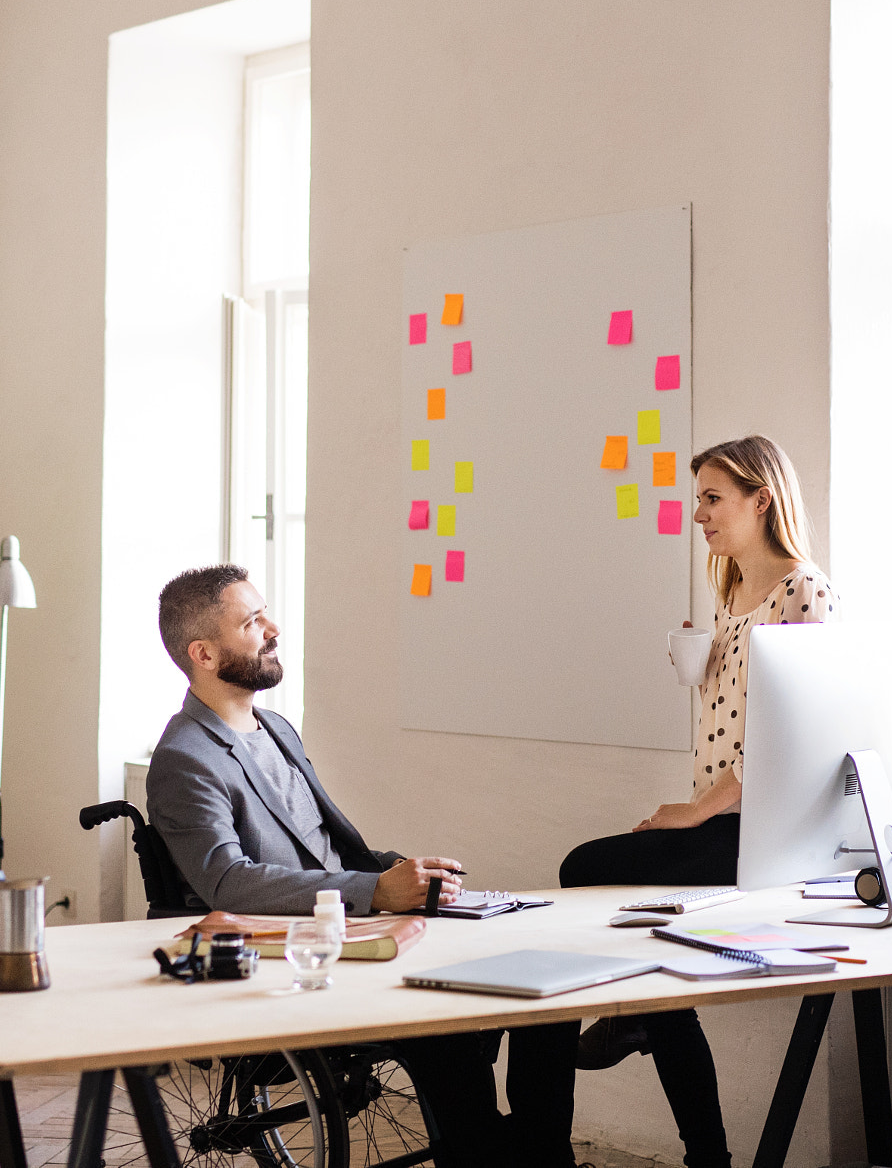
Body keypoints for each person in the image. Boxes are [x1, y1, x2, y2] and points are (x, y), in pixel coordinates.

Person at [524, 435, 835, 1168]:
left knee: (582, 869)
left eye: (712, 497)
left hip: (764, 831)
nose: (697, 513)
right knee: (658, 985)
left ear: (763, 500)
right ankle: (704, 1151)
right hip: (722, 814)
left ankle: (631, 1062)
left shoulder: (805, 591)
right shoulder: (730, 593)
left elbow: (800, 738)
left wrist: (695, 811)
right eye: (697, 496)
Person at [145, 564, 507, 1165]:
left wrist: (403, 875)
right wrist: (374, 891)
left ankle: (518, 1148)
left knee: (511, 990)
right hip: (293, 951)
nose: (273, 628)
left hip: (356, 924)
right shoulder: (185, 758)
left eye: (265, 614)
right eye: (251, 622)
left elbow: (329, 847)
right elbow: (227, 882)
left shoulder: (276, 728)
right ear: (203, 653)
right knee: (448, 1029)